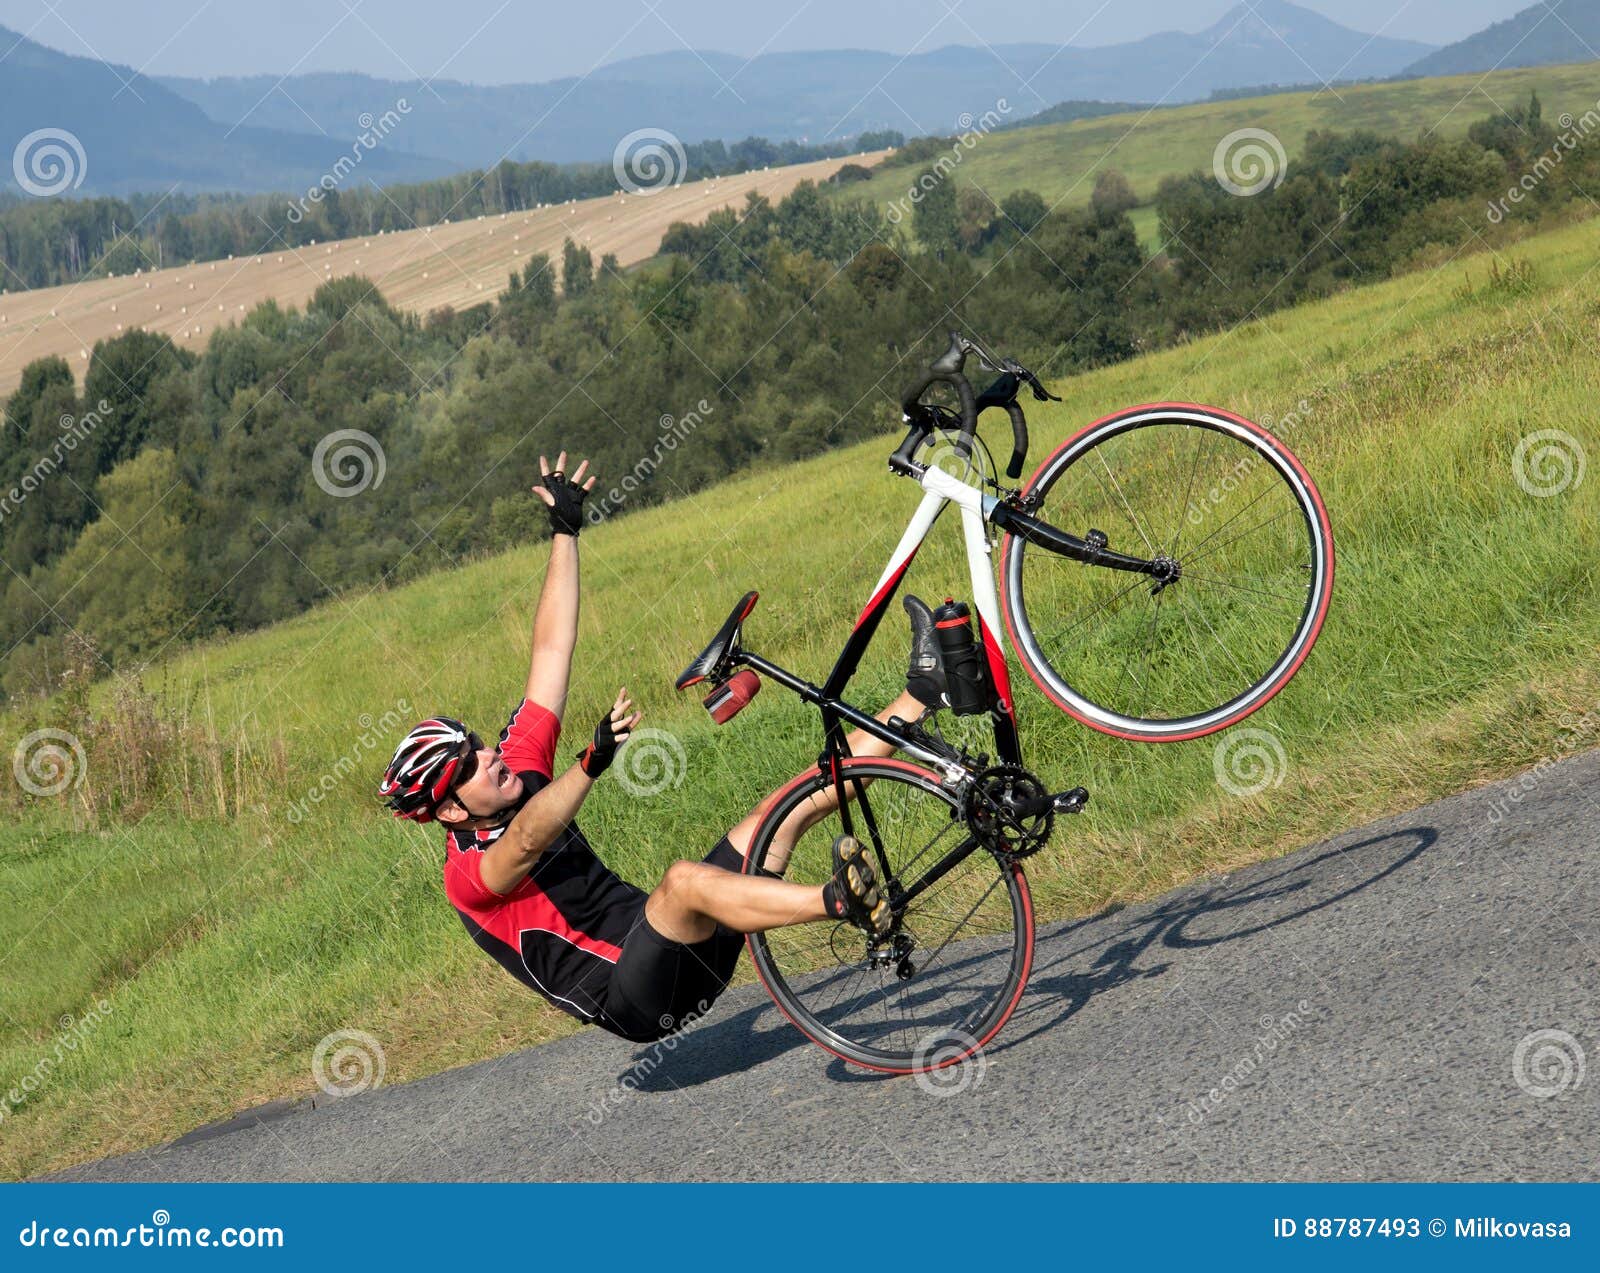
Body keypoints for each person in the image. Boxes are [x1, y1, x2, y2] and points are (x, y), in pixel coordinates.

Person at [378, 454, 936, 1043]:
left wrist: (564, 533)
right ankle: (841, 901)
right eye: (469, 765)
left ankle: (925, 693)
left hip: (683, 943)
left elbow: (551, 651)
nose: (489, 755)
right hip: (634, 997)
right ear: (450, 810)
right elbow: (525, 839)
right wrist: (589, 766)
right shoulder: (467, 875)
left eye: (476, 743)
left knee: (782, 809)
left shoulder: (515, 766)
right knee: (683, 880)